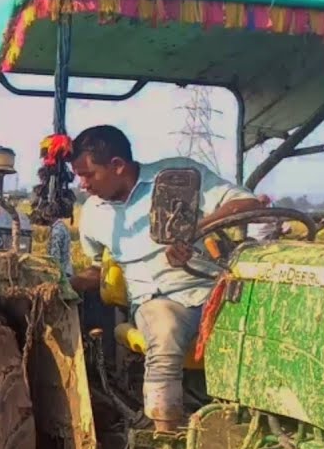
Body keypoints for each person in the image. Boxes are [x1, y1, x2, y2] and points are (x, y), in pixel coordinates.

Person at [68, 125, 262, 432]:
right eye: (79, 176)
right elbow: (99, 270)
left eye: (89, 175)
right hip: (158, 299)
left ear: (117, 166)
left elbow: (247, 203)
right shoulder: (92, 213)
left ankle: (261, 424)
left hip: (215, 291)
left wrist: (195, 231)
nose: (83, 185)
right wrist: (65, 284)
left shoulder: (179, 178)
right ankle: (166, 433)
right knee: (166, 329)